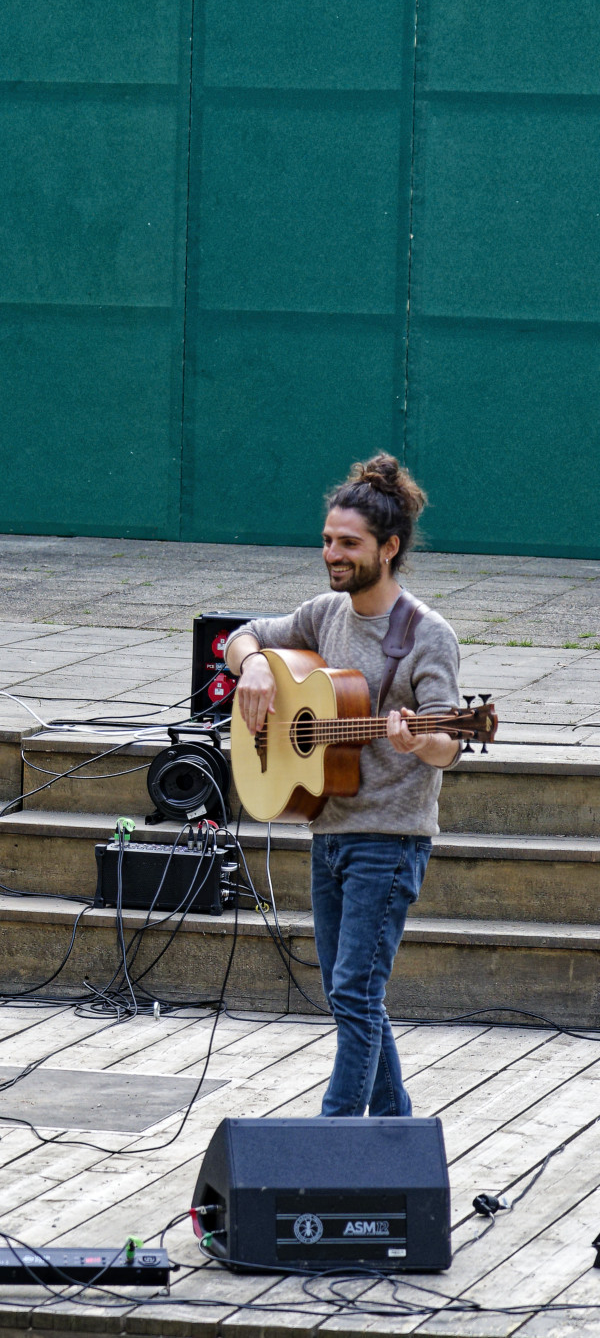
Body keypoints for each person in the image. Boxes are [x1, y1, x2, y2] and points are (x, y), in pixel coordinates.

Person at [224, 454, 460, 1118]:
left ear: (390, 548)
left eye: (348, 543)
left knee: (354, 993)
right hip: (328, 830)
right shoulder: (323, 614)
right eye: (328, 539)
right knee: (349, 994)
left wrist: (421, 740)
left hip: (389, 839)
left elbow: (450, 744)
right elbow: (238, 637)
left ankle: (334, 1139)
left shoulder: (426, 636)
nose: (332, 553)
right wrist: (258, 670)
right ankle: (393, 1130)